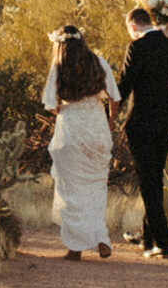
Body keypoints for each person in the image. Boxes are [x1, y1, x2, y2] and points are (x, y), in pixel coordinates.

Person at [42, 24, 121, 261]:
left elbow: (50, 104)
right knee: (96, 187)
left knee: (71, 188)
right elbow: (114, 97)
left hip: (71, 128)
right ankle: (100, 237)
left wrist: (65, 109)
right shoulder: (99, 62)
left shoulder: (59, 67)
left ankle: (75, 247)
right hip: (96, 126)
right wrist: (111, 120)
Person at [118, 7, 168, 259]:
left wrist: (107, 111)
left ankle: (162, 244)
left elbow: (124, 86)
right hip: (164, 120)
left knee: (148, 182)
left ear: (133, 27)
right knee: (154, 178)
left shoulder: (136, 48)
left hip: (141, 122)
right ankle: (148, 239)